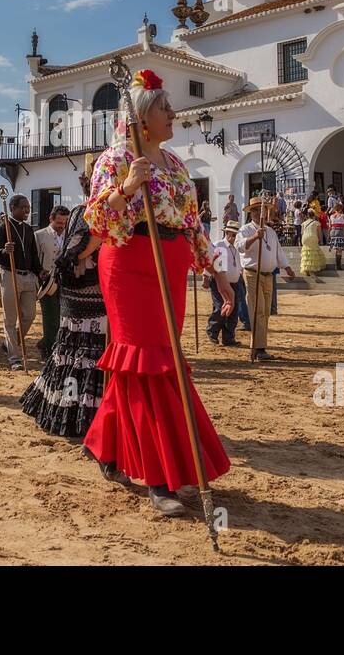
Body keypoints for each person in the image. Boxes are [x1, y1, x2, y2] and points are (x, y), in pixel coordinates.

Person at [82, 68, 235, 518]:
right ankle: (161, 476)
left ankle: (106, 446)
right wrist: (128, 187)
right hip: (129, 263)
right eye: (166, 109)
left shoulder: (176, 165)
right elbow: (95, 221)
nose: (174, 114)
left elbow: (193, 226)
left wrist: (218, 273)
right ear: (143, 119)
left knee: (146, 362)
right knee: (147, 361)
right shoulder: (115, 159)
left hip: (171, 266)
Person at [20, 158, 108, 437]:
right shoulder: (86, 213)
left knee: (81, 351)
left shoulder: (89, 212)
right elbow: (74, 254)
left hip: (92, 294)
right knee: (81, 352)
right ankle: (78, 413)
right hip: (83, 295)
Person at [238, 197, 296, 361]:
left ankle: (259, 346)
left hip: (268, 275)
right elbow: (241, 246)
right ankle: (258, 348)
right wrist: (255, 237)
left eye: (261, 209)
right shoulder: (246, 229)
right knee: (257, 310)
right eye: (255, 210)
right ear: (251, 212)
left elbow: (278, 252)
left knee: (265, 312)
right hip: (252, 274)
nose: (259, 212)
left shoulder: (270, 232)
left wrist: (287, 267)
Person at [0, 192, 40, 372]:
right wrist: (4, 251)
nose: (27, 210)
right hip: (9, 274)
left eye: (28, 208)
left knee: (29, 315)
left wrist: (39, 271)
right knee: (10, 319)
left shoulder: (28, 229)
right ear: (13, 209)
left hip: (27, 276)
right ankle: (14, 357)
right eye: (23, 207)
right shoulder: (3, 228)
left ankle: (9, 342)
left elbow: (33, 255)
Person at [34, 205, 70, 362]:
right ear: (51, 219)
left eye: (64, 223)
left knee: (63, 317)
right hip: (47, 282)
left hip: (66, 281)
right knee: (51, 317)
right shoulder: (40, 235)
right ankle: (48, 348)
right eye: (59, 223)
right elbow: (34, 259)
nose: (62, 226)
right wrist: (40, 273)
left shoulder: (69, 235)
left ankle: (46, 343)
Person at [204, 219, 243, 346]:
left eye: (236, 235)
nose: (235, 237)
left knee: (234, 311)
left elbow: (237, 264)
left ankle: (228, 337)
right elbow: (212, 262)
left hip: (234, 282)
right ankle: (212, 331)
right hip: (218, 281)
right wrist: (206, 276)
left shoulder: (235, 248)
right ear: (227, 233)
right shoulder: (219, 245)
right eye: (233, 235)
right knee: (221, 305)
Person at [299, 209, 327, 276]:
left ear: (307, 216)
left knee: (306, 252)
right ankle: (313, 268)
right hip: (313, 236)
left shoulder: (304, 223)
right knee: (313, 251)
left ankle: (306, 268)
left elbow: (302, 233)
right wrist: (320, 240)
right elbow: (319, 233)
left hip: (305, 238)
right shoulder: (316, 223)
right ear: (314, 215)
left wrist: (301, 241)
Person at [327, 202, 344, 269]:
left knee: (337, 249)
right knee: (339, 250)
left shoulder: (331, 216)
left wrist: (328, 235)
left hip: (333, 233)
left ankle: (337, 264)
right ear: (340, 209)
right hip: (340, 232)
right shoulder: (343, 216)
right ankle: (338, 265)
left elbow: (329, 227)